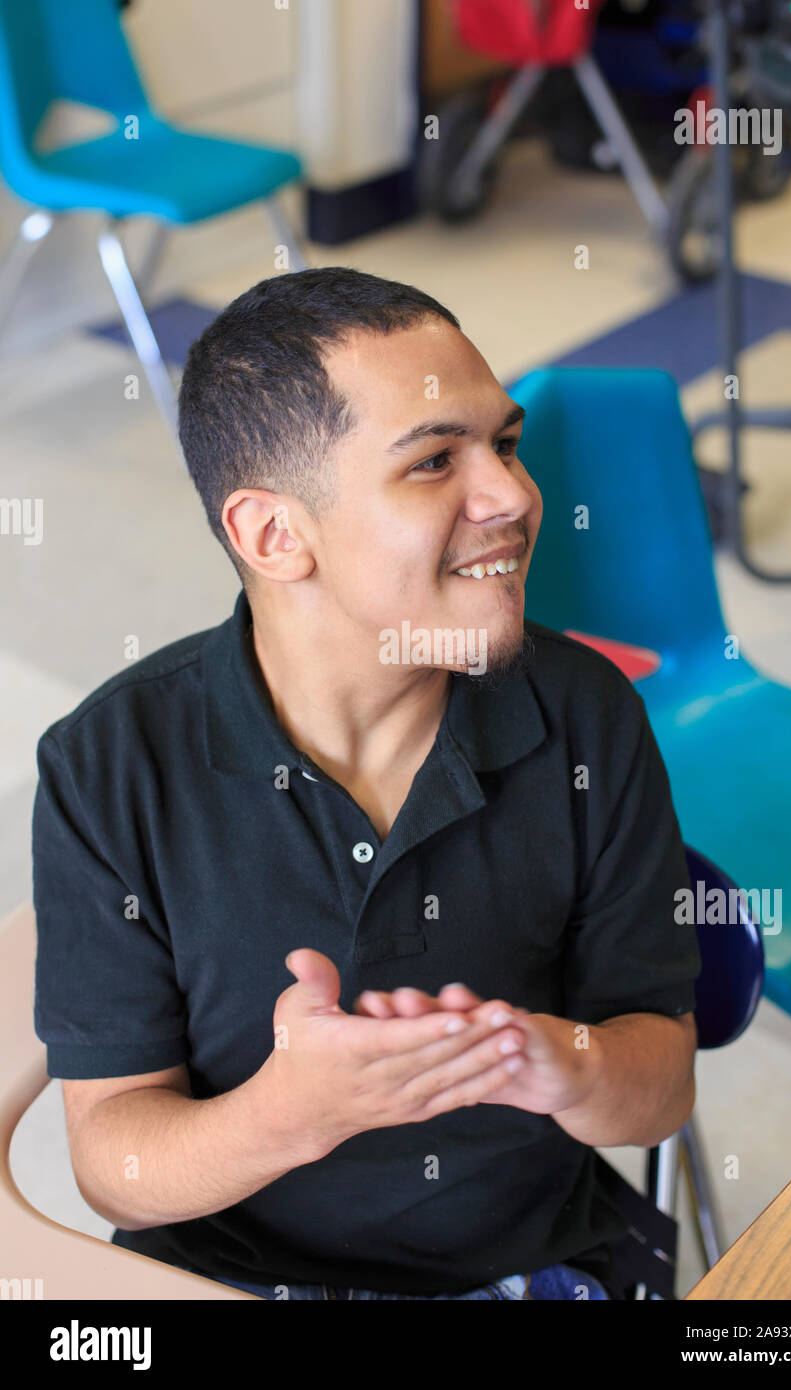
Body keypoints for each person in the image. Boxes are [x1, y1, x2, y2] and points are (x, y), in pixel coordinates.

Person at [32, 267, 701, 1301]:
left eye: (505, 444)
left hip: (526, 1261)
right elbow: (114, 1167)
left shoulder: (584, 713)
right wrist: (290, 1113)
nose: (513, 496)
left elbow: (655, 1090)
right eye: (435, 460)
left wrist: (564, 1062)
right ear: (272, 535)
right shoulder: (107, 764)